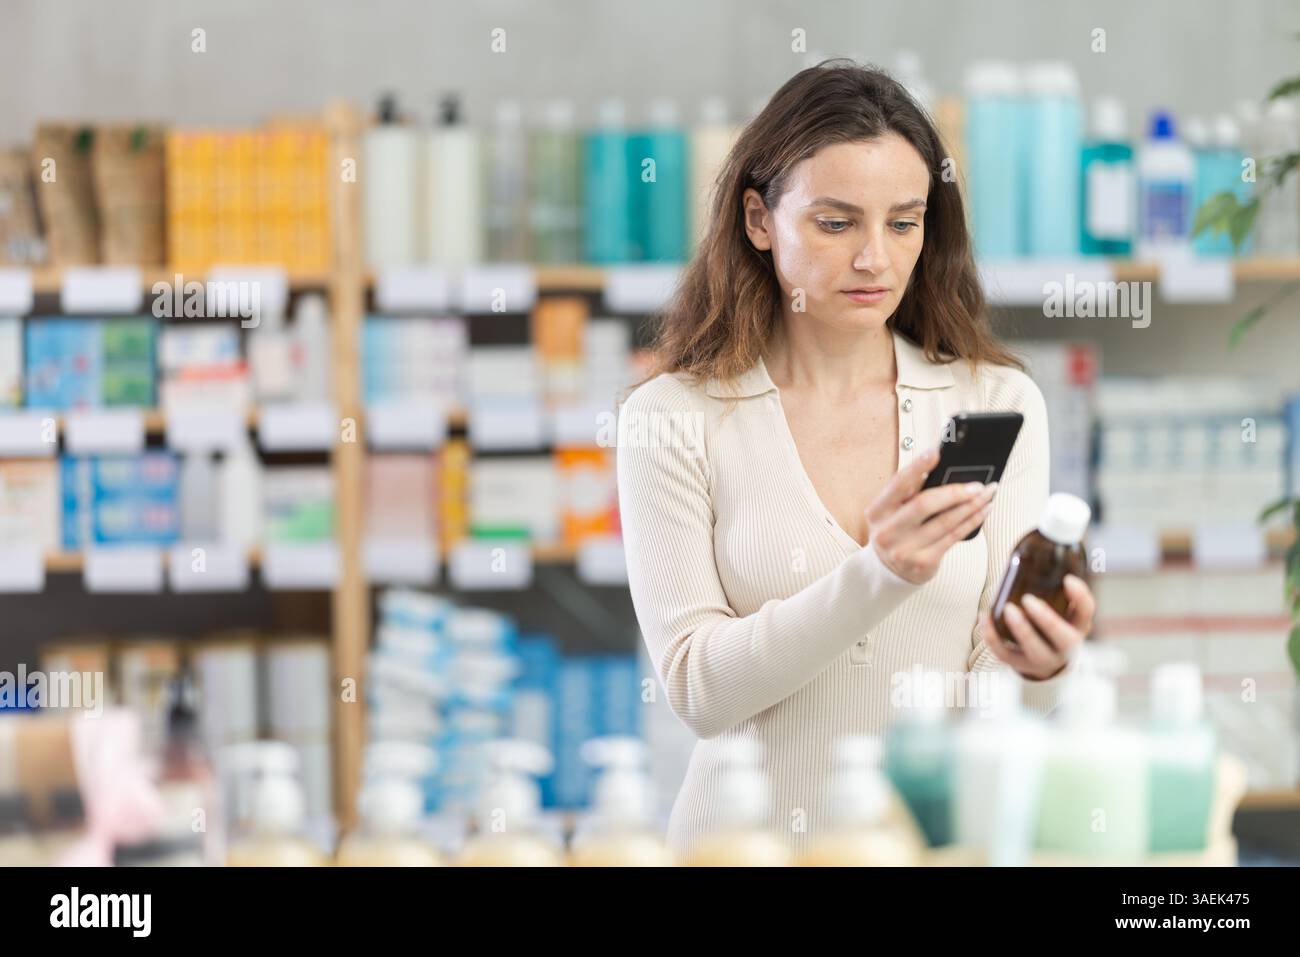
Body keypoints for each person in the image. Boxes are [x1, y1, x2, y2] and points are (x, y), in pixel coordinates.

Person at [616, 61, 1096, 858]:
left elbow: (993, 694)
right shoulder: (671, 418)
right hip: (742, 850)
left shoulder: (990, 404)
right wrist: (880, 572)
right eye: (836, 224)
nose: (875, 259)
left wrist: (1041, 672)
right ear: (759, 218)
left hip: (935, 848)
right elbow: (698, 689)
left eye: (903, 223)